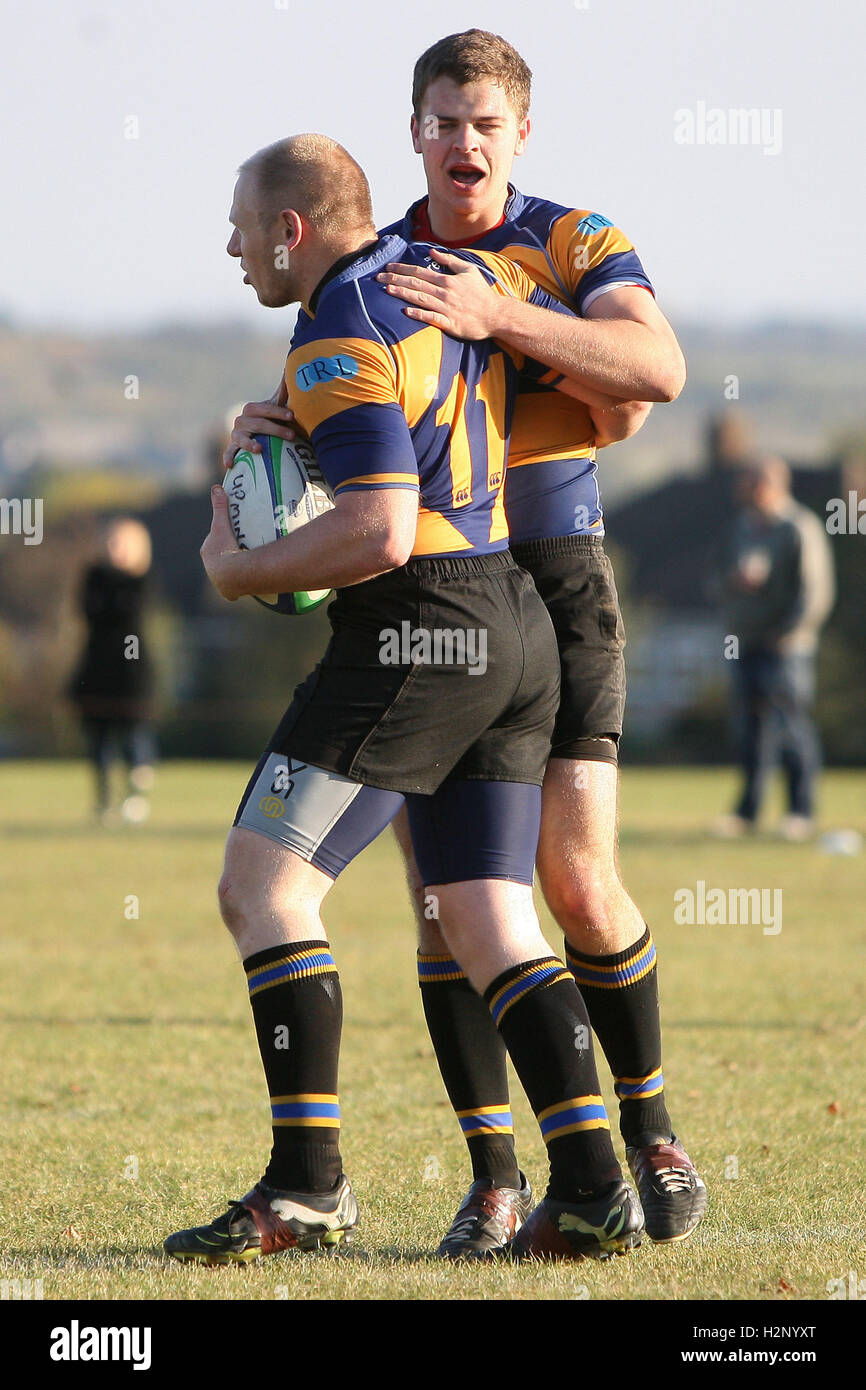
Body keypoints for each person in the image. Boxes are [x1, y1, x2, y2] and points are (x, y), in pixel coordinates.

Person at [228, 31, 705, 1258]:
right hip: (473, 586)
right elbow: (372, 402)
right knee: (454, 904)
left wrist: (505, 314)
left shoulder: (565, 240)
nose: (461, 141)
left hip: (538, 573)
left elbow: (647, 379)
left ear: (518, 132)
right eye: (440, 121)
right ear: (412, 133)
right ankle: (510, 1174)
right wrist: (283, 425)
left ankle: (643, 1137)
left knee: (569, 879)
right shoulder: (388, 265)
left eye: (481, 120)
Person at [714, 455, 835, 840]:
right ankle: (747, 813)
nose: (746, 491)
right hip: (745, 642)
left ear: (773, 484)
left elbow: (814, 593)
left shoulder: (799, 527)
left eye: (753, 483)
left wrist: (787, 634)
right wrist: (734, 583)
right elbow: (715, 581)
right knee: (751, 731)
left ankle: (800, 812)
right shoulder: (739, 529)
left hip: (787, 648)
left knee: (791, 728)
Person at [67, 517, 157, 824]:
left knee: (133, 737)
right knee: (99, 740)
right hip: (96, 670)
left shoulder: (140, 581)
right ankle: (104, 801)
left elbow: (128, 619)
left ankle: (135, 795)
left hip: (129, 671)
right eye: (109, 541)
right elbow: (91, 612)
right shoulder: (93, 577)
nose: (113, 548)